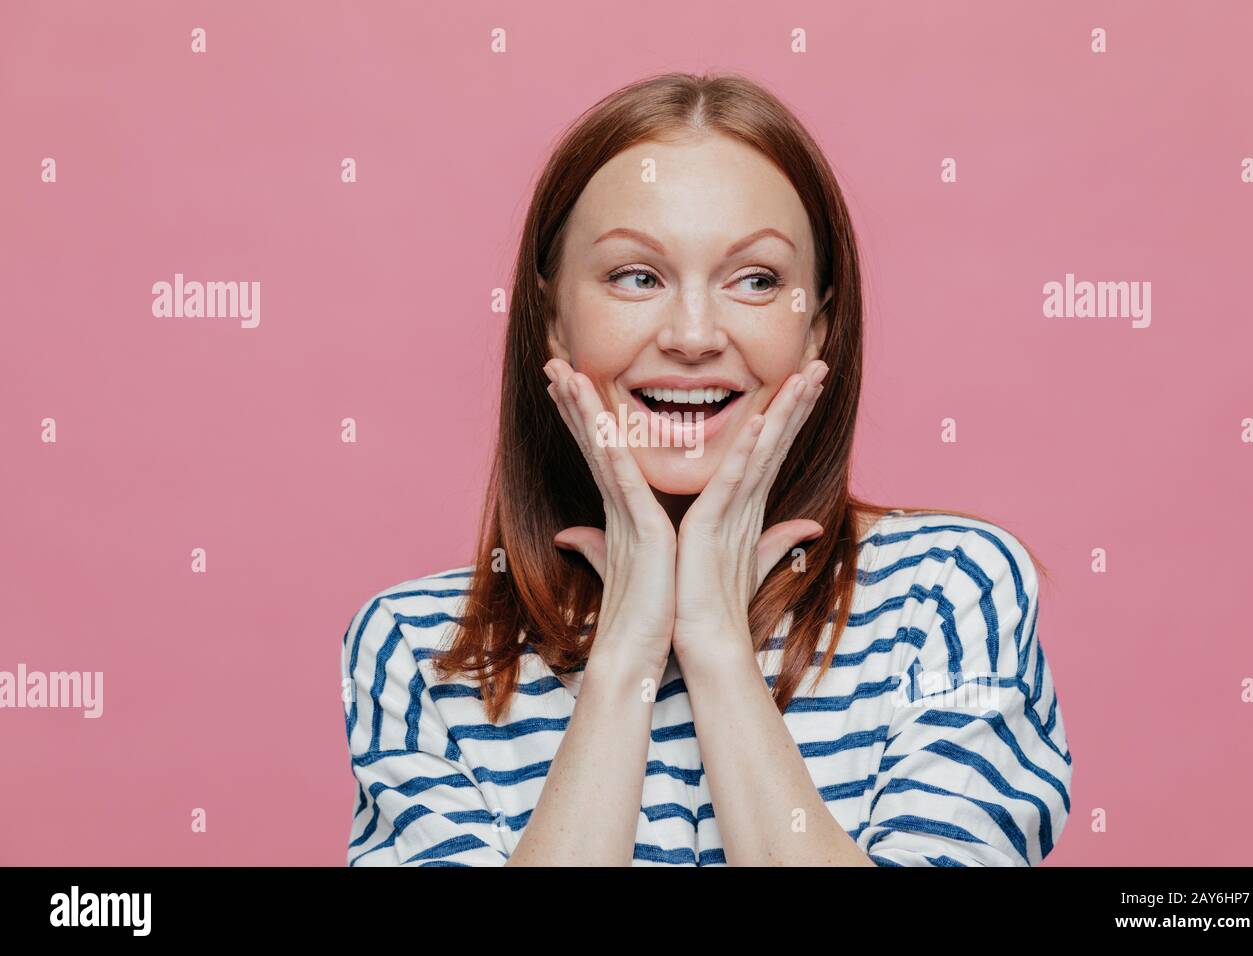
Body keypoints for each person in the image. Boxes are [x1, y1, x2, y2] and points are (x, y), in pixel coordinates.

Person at [341, 72, 1072, 867]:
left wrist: (718, 648)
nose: (693, 335)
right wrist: (625, 658)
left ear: (817, 328)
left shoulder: (949, 593)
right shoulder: (418, 649)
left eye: (756, 280)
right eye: (636, 276)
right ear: (552, 321)